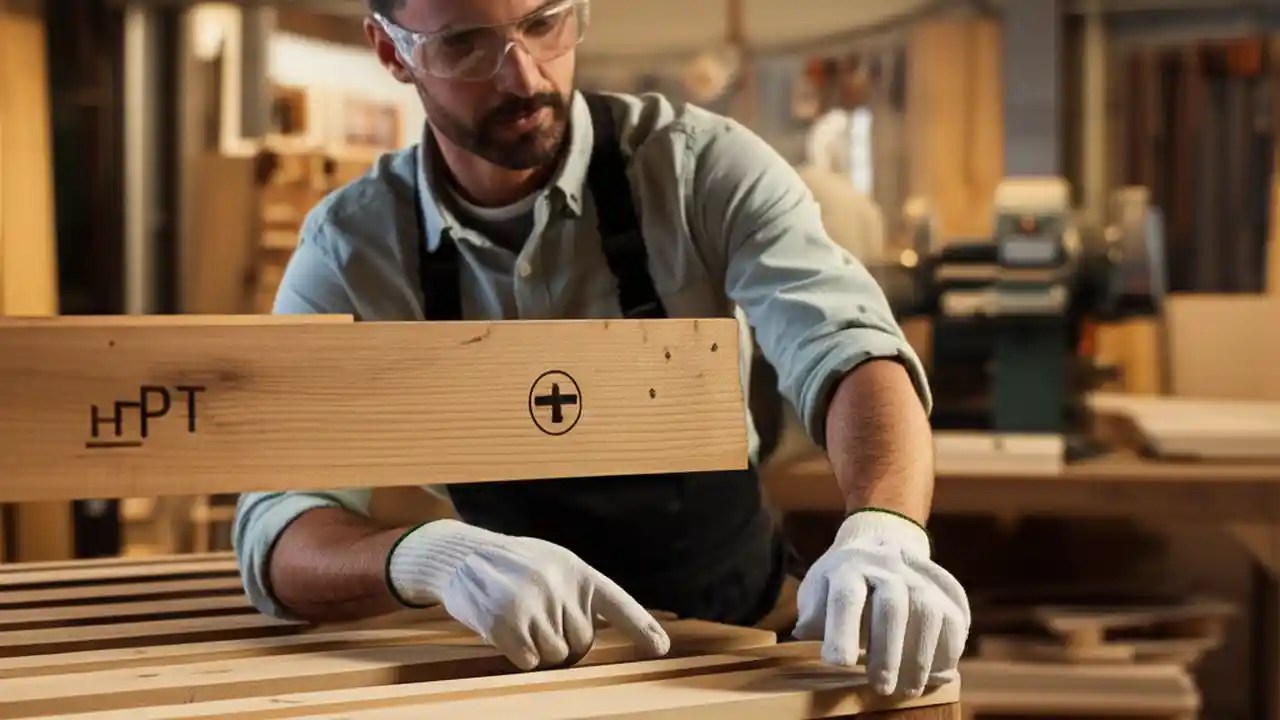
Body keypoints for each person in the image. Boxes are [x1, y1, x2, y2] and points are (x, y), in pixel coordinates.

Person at [232, 0, 970, 700]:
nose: (523, 76)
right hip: (515, 673)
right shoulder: (352, 249)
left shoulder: (698, 171)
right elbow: (279, 520)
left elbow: (850, 351)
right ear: (392, 52)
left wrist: (885, 527)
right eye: (464, 44)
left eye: (544, 23)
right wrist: (424, 557)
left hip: (740, 646)